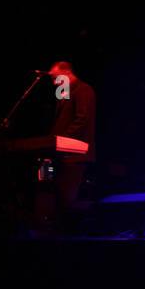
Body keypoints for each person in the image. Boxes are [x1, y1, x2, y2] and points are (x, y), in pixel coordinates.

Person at [47, 60, 96, 212]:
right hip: (63, 154)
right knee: (58, 196)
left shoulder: (83, 89)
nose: (55, 83)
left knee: (67, 197)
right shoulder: (65, 92)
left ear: (67, 73)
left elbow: (82, 119)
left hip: (75, 155)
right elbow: (59, 119)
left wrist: (61, 139)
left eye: (56, 78)